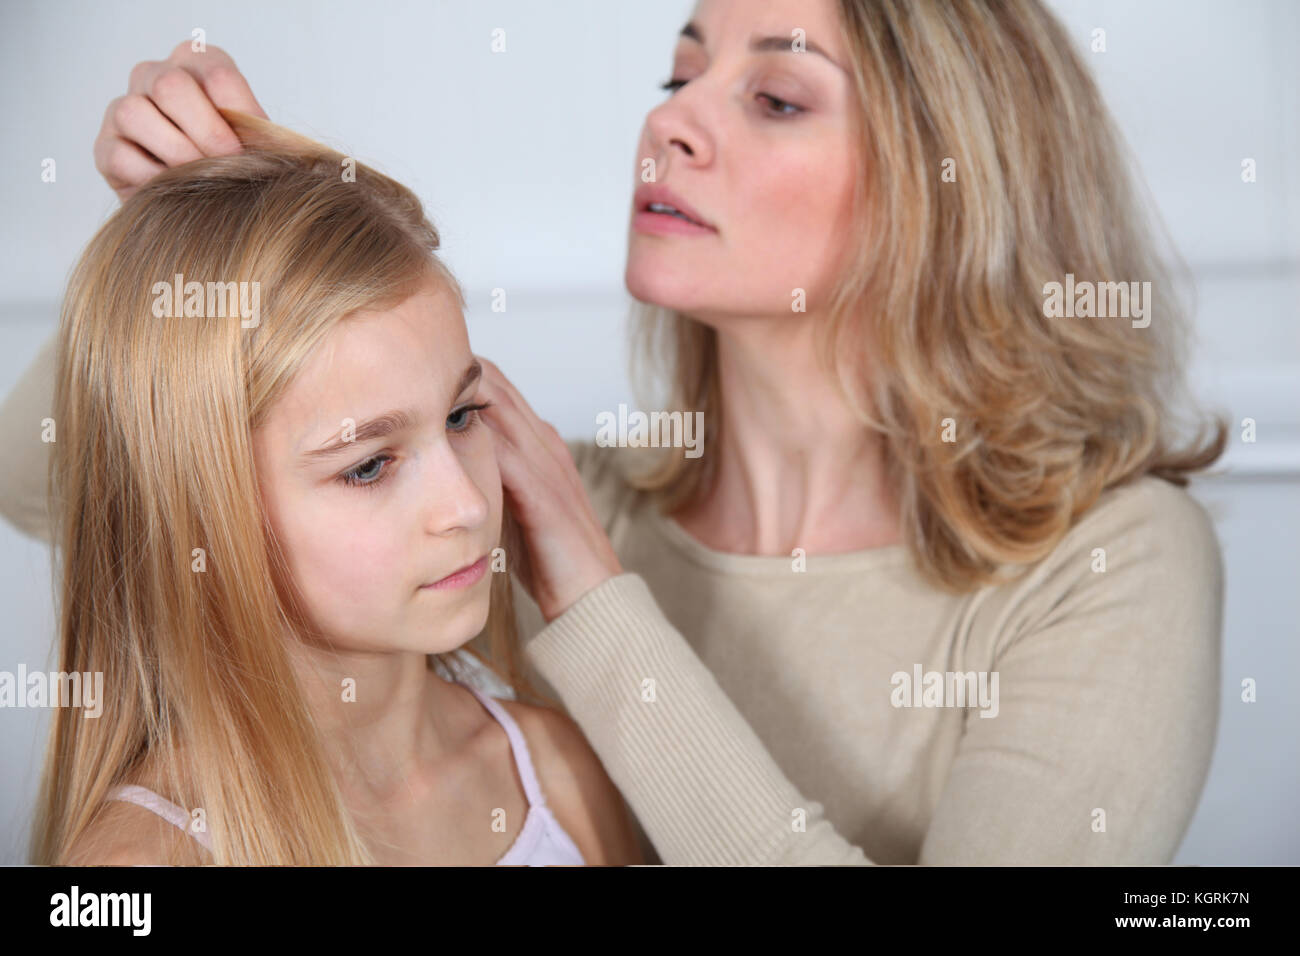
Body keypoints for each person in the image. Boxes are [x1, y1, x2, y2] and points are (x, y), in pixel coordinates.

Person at [4, 0, 1228, 865]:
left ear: (957, 183)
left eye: (777, 95)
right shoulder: (507, 500)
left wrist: (594, 602)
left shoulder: (1113, 563)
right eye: (677, 74)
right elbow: (58, 488)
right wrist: (178, 250)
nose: (674, 122)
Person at [27, 110, 640, 865]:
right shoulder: (139, 865)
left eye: (461, 415)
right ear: (203, 514)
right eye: (369, 465)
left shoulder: (555, 770)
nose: (470, 506)